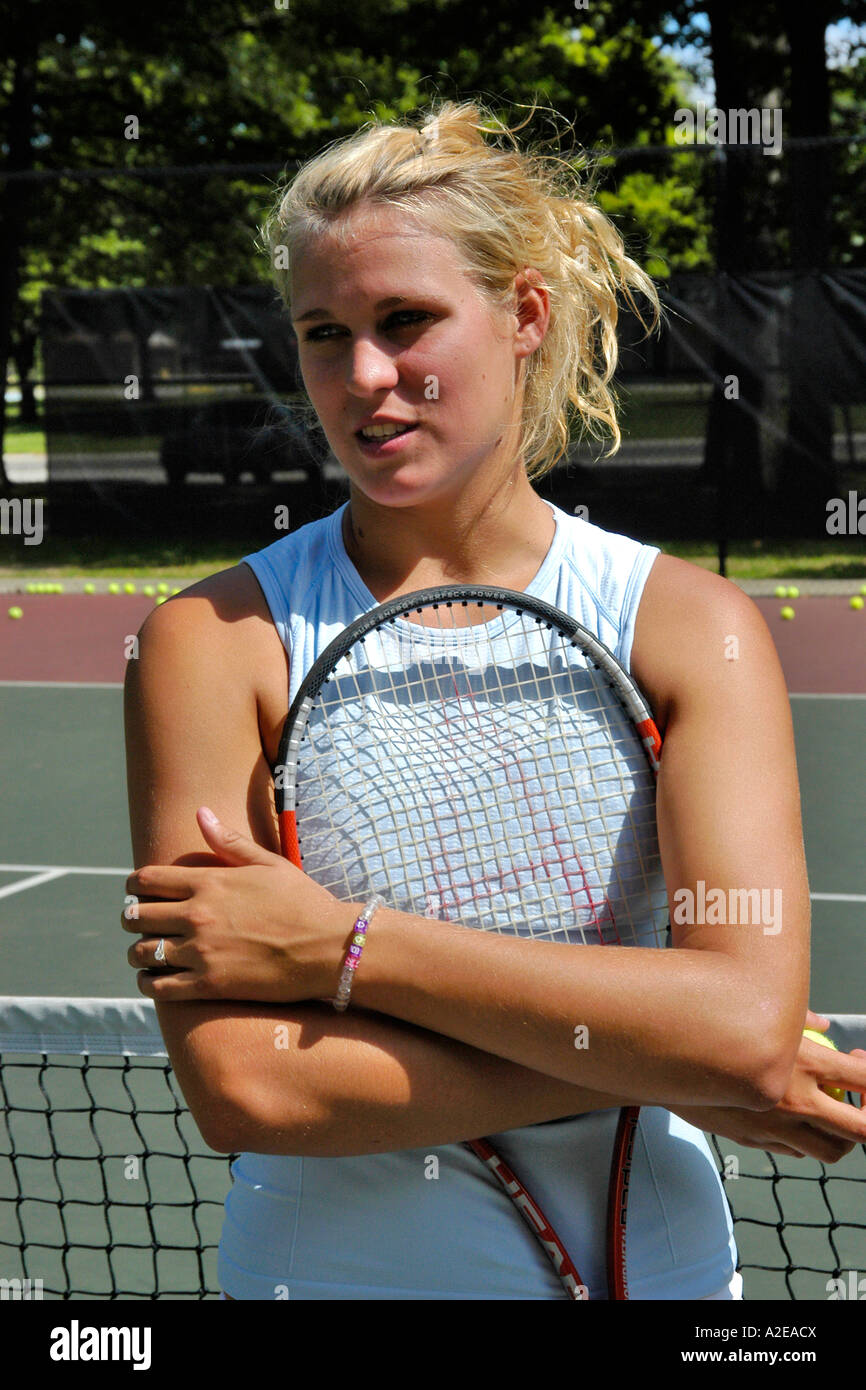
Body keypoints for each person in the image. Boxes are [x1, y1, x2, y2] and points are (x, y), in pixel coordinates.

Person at [123, 100, 864, 1300]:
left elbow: (737, 1020)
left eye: (405, 319)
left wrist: (338, 949)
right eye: (323, 333)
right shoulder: (208, 643)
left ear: (523, 315)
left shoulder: (693, 627)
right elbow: (248, 1087)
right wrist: (670, 1058)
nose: (365, 376)